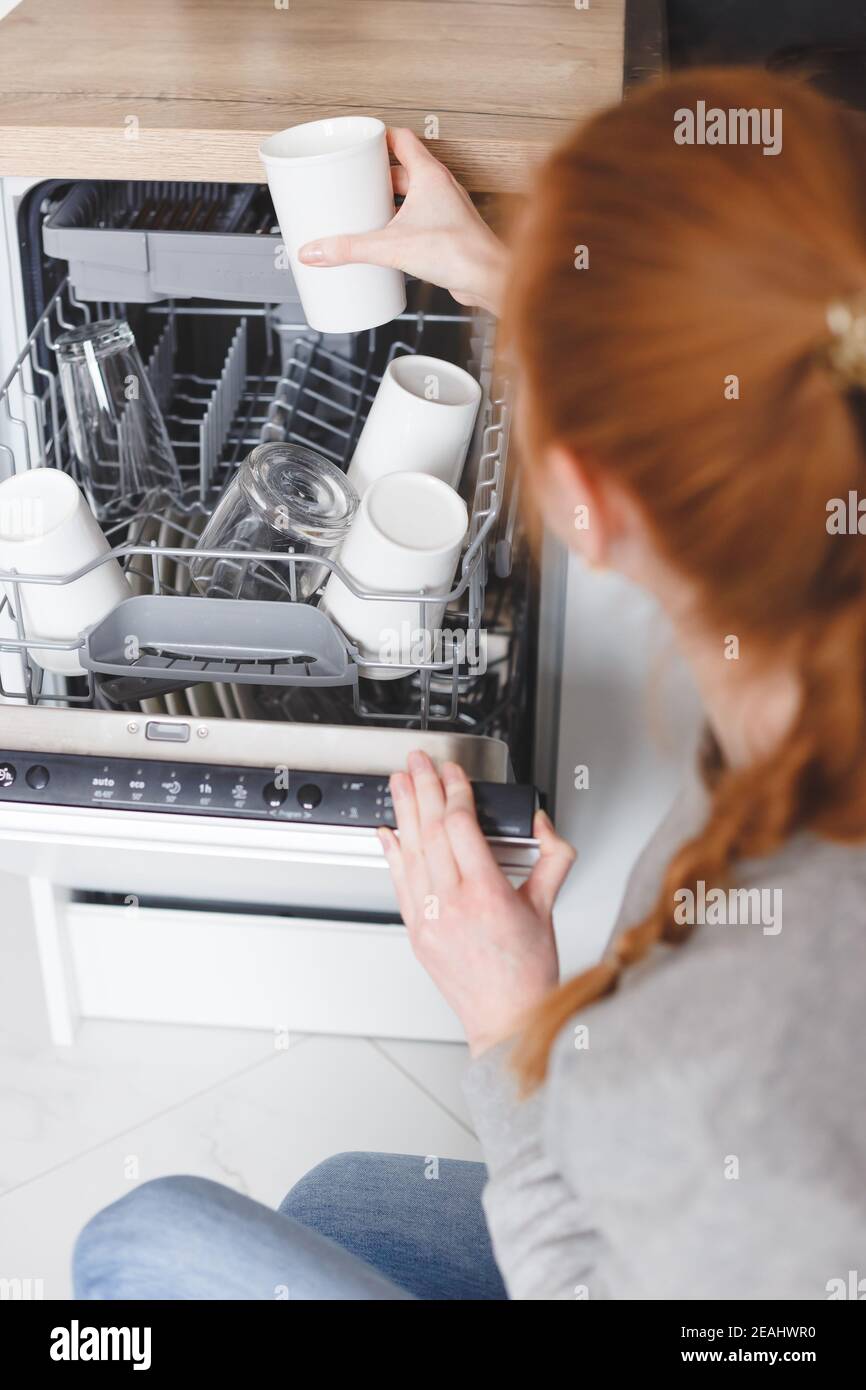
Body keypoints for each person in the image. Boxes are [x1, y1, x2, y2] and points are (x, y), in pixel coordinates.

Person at [75, 68, 866, 1300]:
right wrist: (518, 284)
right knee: (344, 1200)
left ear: (586, 505)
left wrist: (510, 1026)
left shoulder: (738, 1057)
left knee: (141, 1242)